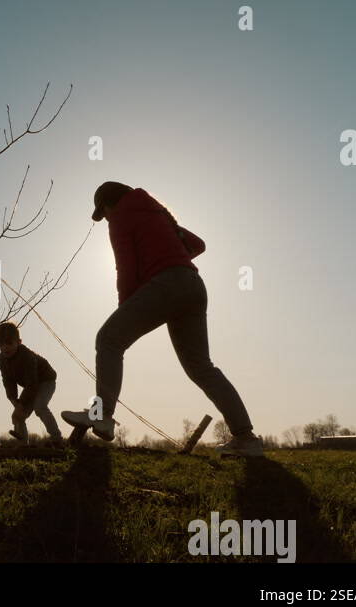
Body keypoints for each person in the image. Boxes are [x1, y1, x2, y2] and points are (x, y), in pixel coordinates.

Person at [61, 182, 263, 457]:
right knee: (202, 367)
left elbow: (126, 267)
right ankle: (246, 438)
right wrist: (169, 255)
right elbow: (197, 244)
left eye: (103, 212)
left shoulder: (121, 215)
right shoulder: (159, 211)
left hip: (167, 284)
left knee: (109, 339)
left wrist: (128, 306)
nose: (105, 218)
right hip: (193, 285)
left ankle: (102, 415)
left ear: (110, 203)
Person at [0, 321, 62, 444]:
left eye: (9, 343)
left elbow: (32, 383)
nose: (5, 347)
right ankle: (23, 444)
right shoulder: (1, 359)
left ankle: (57, 439)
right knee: (17, 416)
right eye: (1, 344)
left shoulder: (27, 356)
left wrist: (21, 404)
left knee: (39, 407)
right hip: (30, 386)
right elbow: (8, 381)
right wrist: (14, 400)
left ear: (19, 342)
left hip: (46, 381)